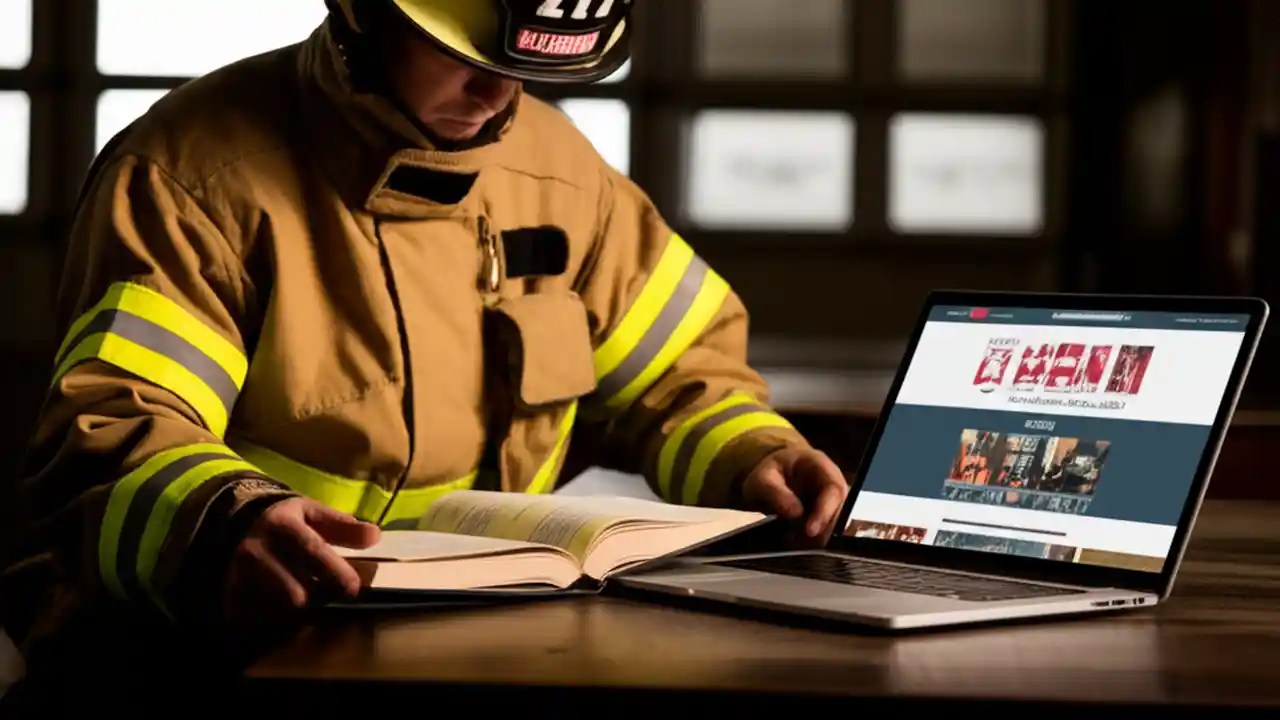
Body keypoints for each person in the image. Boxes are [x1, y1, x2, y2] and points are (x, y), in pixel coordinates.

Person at [0, 0, 848, 707]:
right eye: (462, 53)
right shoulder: (194, 176)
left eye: (523, 64)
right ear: (364, 11)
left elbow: (676, 374)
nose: (497, 91)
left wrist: (752, 453)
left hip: (481, 645)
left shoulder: (565, 178)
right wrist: (226, 527)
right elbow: (115, 429)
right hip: (197, 653)